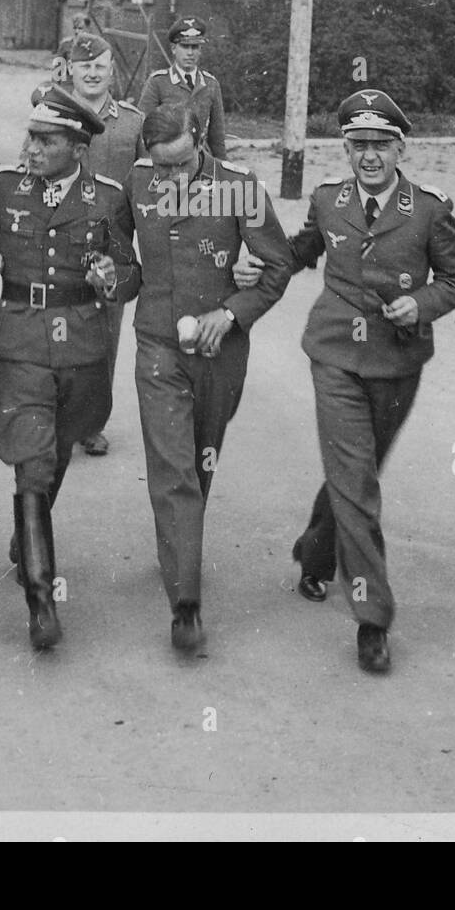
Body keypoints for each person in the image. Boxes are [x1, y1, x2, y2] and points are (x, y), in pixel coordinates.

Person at [275, 90, 455, 674]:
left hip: (397, 361)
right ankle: (372, 617)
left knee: (357, 472)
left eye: (380, 146)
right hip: (334, 352)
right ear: (346, 149)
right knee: (357, 480)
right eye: (358, 145)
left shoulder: (430, 209)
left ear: (399, 148)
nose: (369, 157)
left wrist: (422, 303)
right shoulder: (328, 200)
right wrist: (257, 263)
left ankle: (314, 553)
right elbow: (301, 250)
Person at [124, 102, 291, 653]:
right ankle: (186, 605)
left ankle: (176, 546)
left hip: (221, 350)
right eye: (160, 166)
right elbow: (121, 259)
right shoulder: (137, 181)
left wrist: (235, 308)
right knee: (172, 465)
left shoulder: (239, 187)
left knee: (199, 459)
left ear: (199, 139)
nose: (169, 177)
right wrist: (108, 274)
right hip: (158, 342)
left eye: (179, 163)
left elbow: (278, 265)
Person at [0, 85, 137, 650]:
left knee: (58, 449)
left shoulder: (110, 198)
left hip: (83, 342)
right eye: (31, 137)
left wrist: (109, 280)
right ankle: (41, 600)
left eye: (46, 141)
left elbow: (129, 270)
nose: (32, 148)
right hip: (22, 335)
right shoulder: (0, 185)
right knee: (32, 462)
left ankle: (28, 536)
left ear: (77, 147)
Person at [64, 32, 145, 457]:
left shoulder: (133, 122)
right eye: (84, 66)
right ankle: (61, 418)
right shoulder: (56, 115)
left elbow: (149, 181)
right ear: (72, 71)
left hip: (113, 246)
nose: (92, 73)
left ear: (111, 71)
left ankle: (92, 424)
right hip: (61, 241)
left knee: (105, 338)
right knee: (58, 329)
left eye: (100, 66)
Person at [136, 16, 227, 159]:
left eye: (195, 47)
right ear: (173, 48)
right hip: (168, 157)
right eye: (185, 47)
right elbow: (143, 129)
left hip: (201, 159)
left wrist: (222, 170)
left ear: (200, 50)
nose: (190, 53)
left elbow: (217, 137)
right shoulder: (158, 82)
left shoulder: (211, 84)